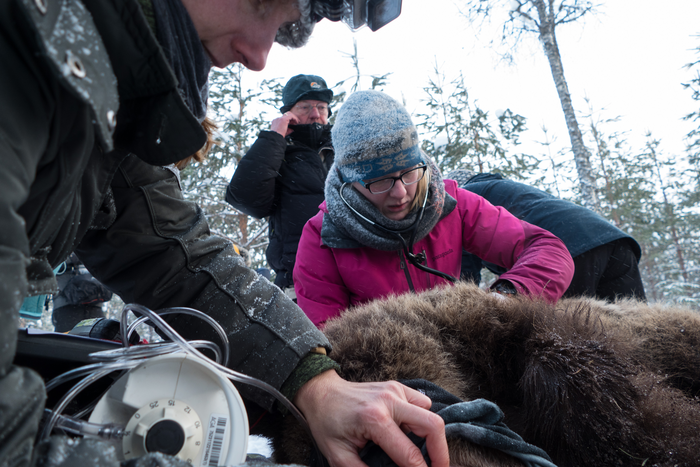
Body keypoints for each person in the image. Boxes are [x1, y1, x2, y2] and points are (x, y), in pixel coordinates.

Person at [0, 1, 448, 467]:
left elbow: (177, 256)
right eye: (263, 3)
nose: (258, 56)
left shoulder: (102, 112)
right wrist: (275, 141)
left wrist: (315, 382)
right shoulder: (22, 55)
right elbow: (248, 194)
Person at [293, 90, 575, 327]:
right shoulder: (322, 238)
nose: (401, 192)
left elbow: (548, 250)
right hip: (387, 377)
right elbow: (328, 339)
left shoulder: (453, 204)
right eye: (379, 181)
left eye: (409, 172)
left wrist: (507, 297)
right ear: (350, 182)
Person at [447, 170, 647, 302]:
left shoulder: (465, 197)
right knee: (635, 334)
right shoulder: (508, 189)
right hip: (615, 242)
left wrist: (459, 306)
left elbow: (463, 275)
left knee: (571, 342)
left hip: (567, 251)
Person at [226, 74, 334, 299]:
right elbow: (246, 199)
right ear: (288, 113)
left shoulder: (343, 149)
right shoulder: (277, 153)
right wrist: (274, 137)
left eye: (321, 107)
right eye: (305, 107)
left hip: (351, 276)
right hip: (298, 284)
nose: (315, 114)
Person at [51, 253, 113, 333]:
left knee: (66, 342)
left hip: (66, 307)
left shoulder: (62, 245)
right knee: (94, 340)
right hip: (94, 303)